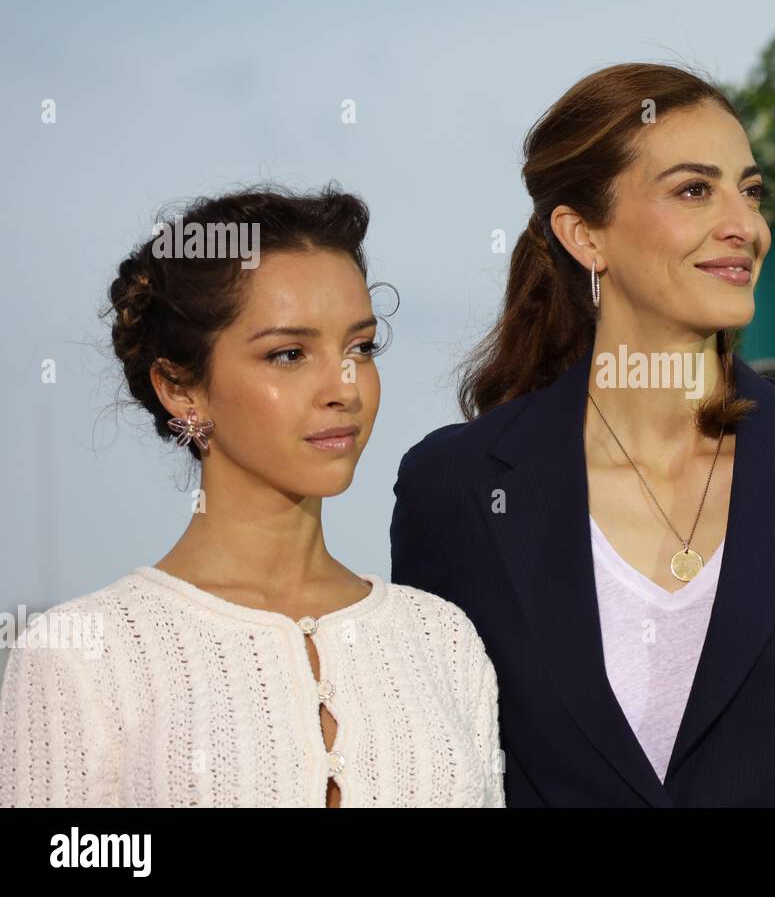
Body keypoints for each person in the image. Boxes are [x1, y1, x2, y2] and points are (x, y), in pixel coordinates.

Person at [390, 63, 775, 806]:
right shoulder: (454, 489)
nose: (744, 226)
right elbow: (434, 780)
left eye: (750, 192)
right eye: (694, 190)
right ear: (584, 234)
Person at [0, 184, 503, 807]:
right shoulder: (83, 655)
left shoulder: (441, 641)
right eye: (289, 354)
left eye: (360, 348)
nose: (343, 387)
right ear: (181, 389)